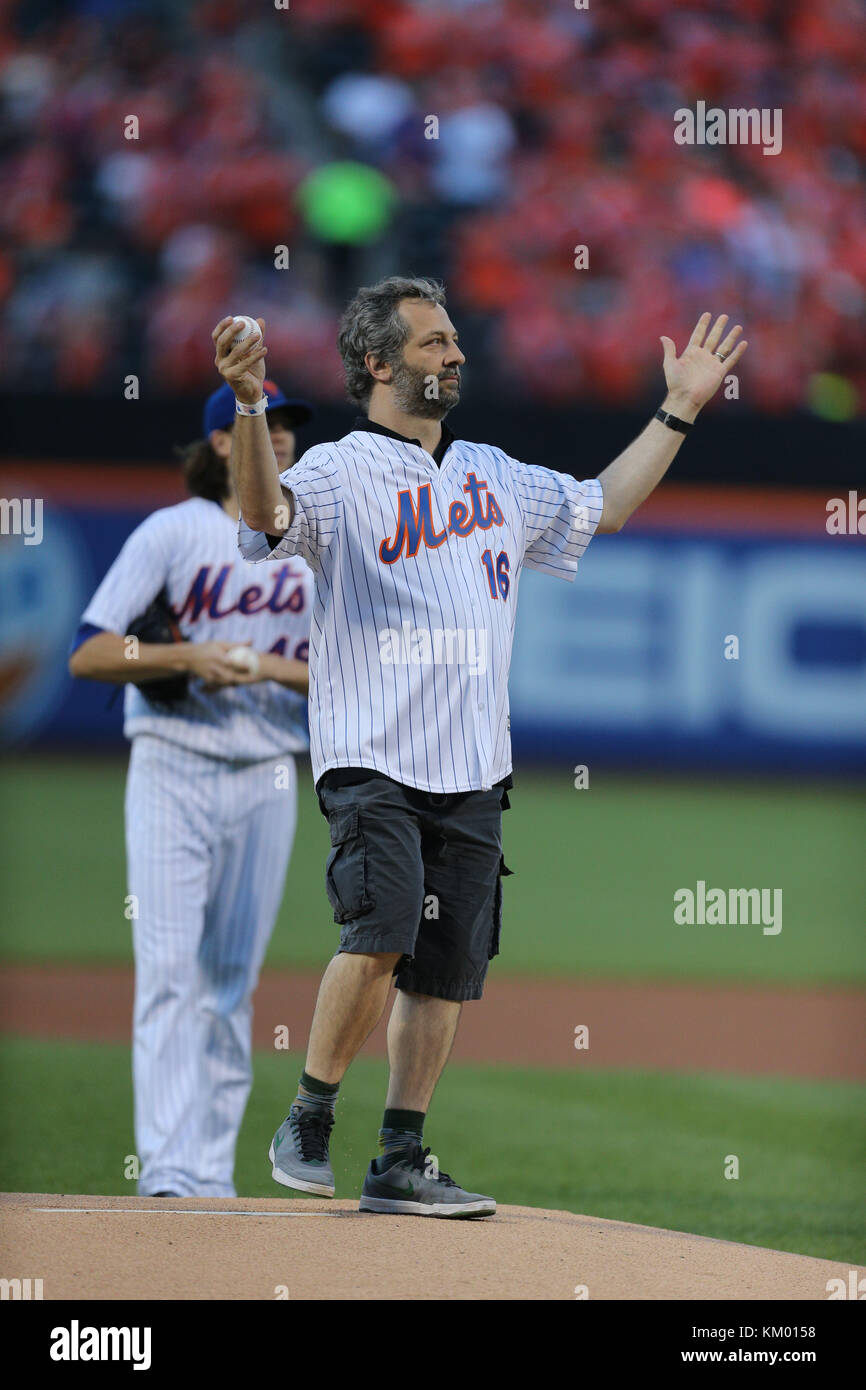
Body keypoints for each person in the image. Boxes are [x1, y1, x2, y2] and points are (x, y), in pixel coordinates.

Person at [211, 278, 747, 1217]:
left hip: (474, 765)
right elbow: (262, 517)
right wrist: (253, 407)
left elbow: (602, 508)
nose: (455, 354)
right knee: (377, 934)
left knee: (444, 968)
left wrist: (680, 408)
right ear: (379, 363)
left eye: (454, 339)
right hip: (373, 750)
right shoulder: (339, 471)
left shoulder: (493, 473)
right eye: (432, 342)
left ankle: (400, 1157)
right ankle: (309, 1112)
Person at [68, 381, 316, 1198]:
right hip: (171, 764)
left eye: (285, 428)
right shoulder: (171, 531)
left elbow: (350, 675)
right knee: (171, 972)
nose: (281, 439)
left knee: (229, 984)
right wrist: (185, 658)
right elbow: (94, 654)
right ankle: (170, 1175)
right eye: (266, 426)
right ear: (222, 443)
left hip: (269, 771)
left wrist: (261, 665)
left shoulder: (309, 545)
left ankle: (210, 1178)